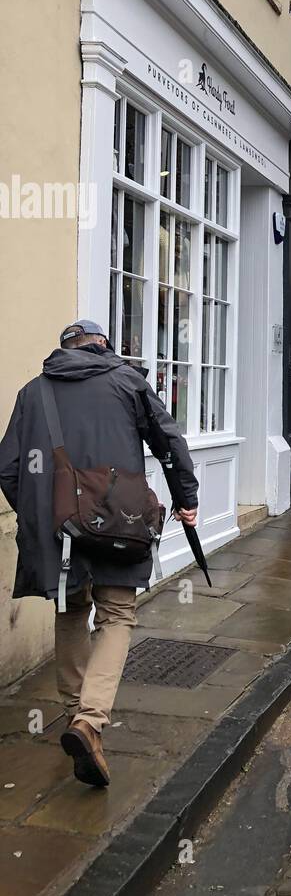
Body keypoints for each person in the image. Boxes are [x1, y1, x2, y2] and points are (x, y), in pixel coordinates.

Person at [0, 320, 198, 788]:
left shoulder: (34, 392)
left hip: (57, 528)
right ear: (103, 346)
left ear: (63, 350)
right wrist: (186, 497)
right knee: (116, 613)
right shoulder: (128, 381)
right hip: (118, 520)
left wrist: (41, 514)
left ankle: (76, 716)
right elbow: (168, 443)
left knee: (70, 611)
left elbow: (8, 470)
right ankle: (89, 721)